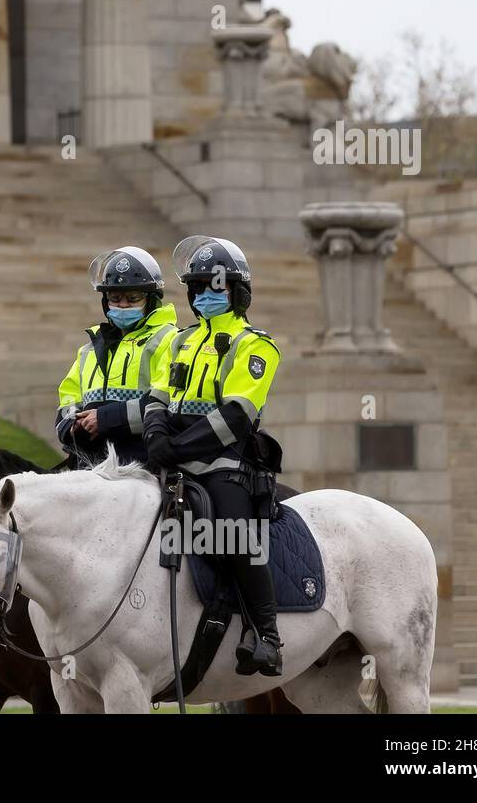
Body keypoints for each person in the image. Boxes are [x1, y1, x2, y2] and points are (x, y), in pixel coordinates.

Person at [141, 235, 284, 676]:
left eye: (215, 288)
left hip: (225, 464)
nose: (204, 296)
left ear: (237, 294)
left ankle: (267, 635)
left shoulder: (256, 346)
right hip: (167, 458)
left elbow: (237, 416)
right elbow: (157, 394)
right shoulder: (179, 341)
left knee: (233, 534)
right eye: (198, 288)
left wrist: (179, 447)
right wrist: (155, 431)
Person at [56, 247, 180, 467]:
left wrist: (105, 419)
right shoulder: (90, 348)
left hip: (140, 463)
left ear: (151, 300)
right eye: (115, 298)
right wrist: (71, 424)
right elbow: (68, 395)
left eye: (133, 298)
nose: (123, 305)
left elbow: (167, 401)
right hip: (90, 462)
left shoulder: (169, 339)